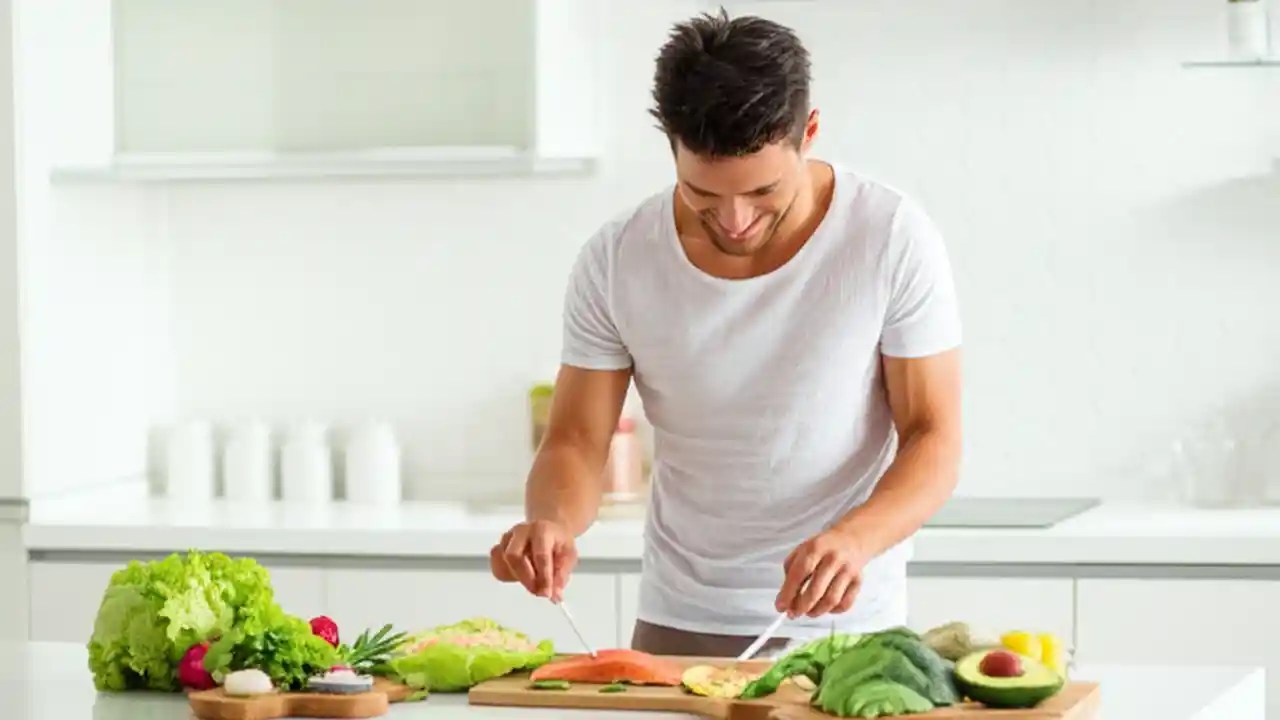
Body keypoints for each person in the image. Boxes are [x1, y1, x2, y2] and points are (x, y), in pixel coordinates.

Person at [489, 9, 963, 658]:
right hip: (676, 622)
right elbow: (575, 438)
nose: (735, 220)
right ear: (673, 149)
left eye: (764, 191)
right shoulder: (618, 258)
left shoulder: (889, 237)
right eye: (703, 194)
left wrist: (856, 538)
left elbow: (933, 435)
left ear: (810, 133)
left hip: (846, 628)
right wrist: (551, 523)